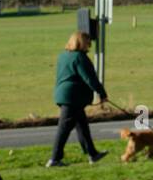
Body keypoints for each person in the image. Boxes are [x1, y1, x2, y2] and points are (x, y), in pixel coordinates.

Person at [46, 31, 109, 166]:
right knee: (63, 128)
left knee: (82, 126)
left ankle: (92, 154)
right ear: (81, 43)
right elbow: (90, 79)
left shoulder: (63, 56)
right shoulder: (79, 58)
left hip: (64, 94)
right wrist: (102, 94)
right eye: (87, 43)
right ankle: (54, 159)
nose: (89, 46)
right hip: (72, 97)